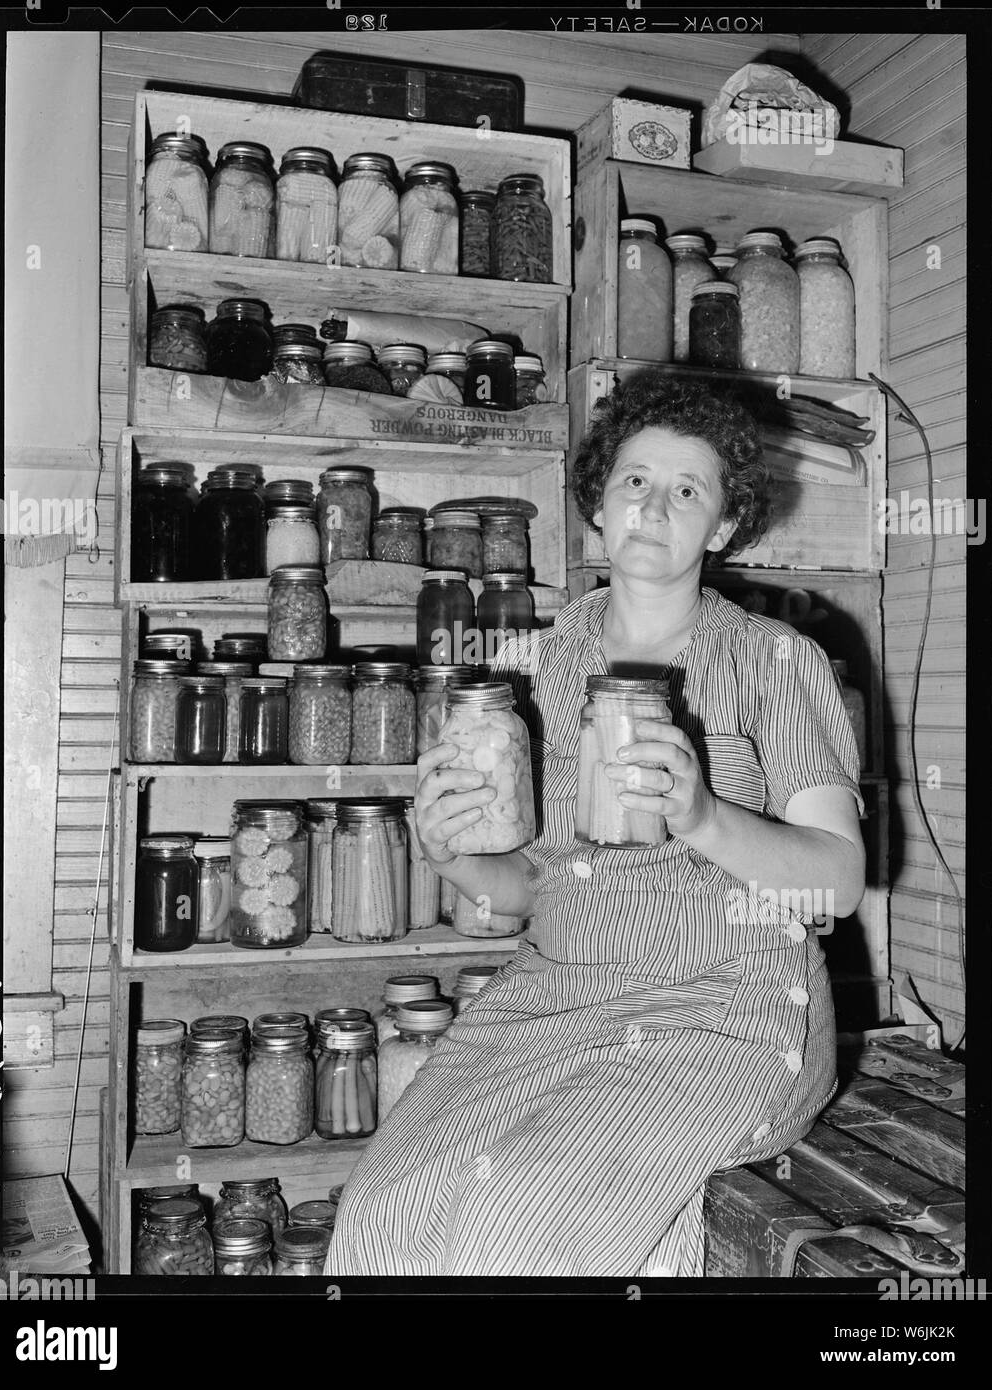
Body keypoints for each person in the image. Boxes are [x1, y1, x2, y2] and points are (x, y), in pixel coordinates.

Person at [325, 374, 865, 1278]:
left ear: (724, 526)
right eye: (634, 481)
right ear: (597, 506)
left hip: (725, 1005)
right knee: (380, 1218)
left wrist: (700, 814)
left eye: (687, 490)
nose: (654, 507)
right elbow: (526, 886)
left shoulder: (777, 658)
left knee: (518, 1220)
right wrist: (448, 850)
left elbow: (838, 881)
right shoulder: (534, 664)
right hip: (549, 998)